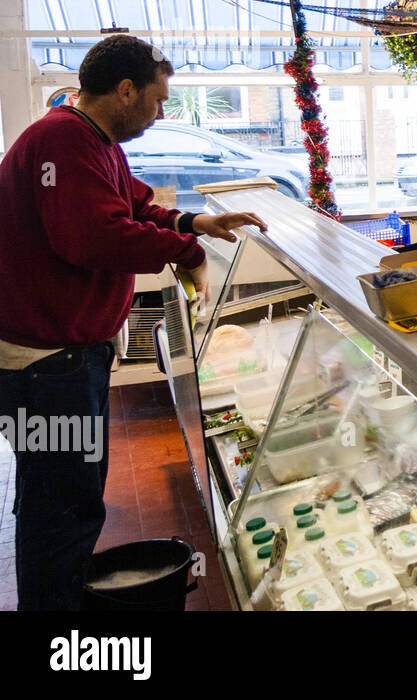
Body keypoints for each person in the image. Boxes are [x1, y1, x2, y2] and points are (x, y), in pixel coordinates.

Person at [0, 34, 266, 610]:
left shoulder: (92, 141)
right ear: (125, 90)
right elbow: (91, 237)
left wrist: (194, 221)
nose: (161, 113)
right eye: (157, 99)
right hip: (46, 369)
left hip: (65, 360)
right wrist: (187, 253)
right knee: (61, 505)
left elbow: (136, 206)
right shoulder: (61, 142)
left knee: (64, 498)